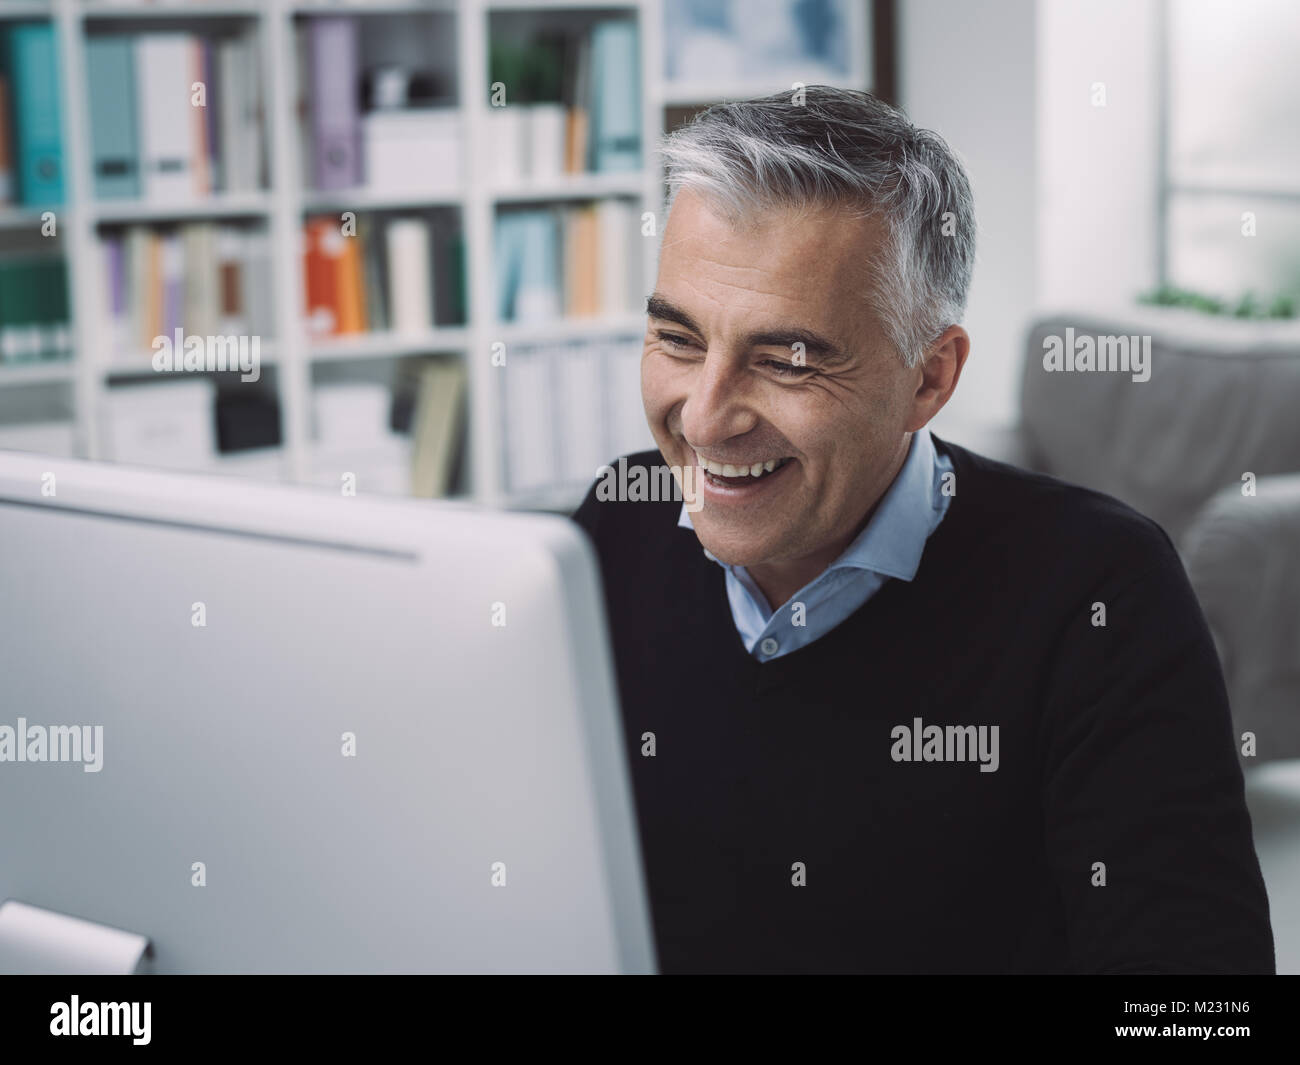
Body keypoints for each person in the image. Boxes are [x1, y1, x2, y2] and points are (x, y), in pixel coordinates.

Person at [572, 86, 1274, 974]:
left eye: (785, 360)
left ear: (929, 379)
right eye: (678, 339)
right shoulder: (610, 527)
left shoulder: (1101, 595)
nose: (705, 421)